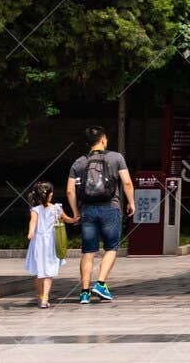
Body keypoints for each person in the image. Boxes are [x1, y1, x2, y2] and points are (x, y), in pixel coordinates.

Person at [66, 126, 134, 304]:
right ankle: (101, 284)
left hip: (87, 210)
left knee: (88, 252)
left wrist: (75, 212)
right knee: (111, 248)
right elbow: (126, 182)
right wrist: (131, 203)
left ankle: (84, 293)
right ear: (103, 140)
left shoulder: (79, 162)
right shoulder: (116, 157)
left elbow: (69, 191)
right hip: (110, 208)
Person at [23, 181, 66, 309]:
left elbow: (33, 222)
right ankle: (45, 298)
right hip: (50, 242)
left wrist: (31, 233)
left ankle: (41, 296)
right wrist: (75, 219)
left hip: (38, 242)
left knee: (38, 272)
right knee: (48, 272)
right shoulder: (57, 208)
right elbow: (66, 219)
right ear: (50, 195)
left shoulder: (35, 209)